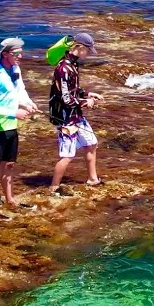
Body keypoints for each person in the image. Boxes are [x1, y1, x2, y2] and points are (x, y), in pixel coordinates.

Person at [0, 37, 39, 219]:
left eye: (21, 52)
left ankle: (10, 199)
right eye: (16, 53)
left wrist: (28, 104)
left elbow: (19, 91)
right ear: (5, 54)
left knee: (10, 164)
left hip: (11, 126)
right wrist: (13, 112)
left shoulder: (15, 69)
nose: (20, 56)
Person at [48, 32, 103, 196]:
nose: (88, 54)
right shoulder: (64, 68)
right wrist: (85, 102)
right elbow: (65, 99)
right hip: (66, 119)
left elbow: (73, 90)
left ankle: (93, 179)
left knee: (92, 144)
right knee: (67, 156)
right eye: (88, 50)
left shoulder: (73, 65)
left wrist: (88, 94)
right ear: (79, 47)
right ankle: (54, 188)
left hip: (76, 115)